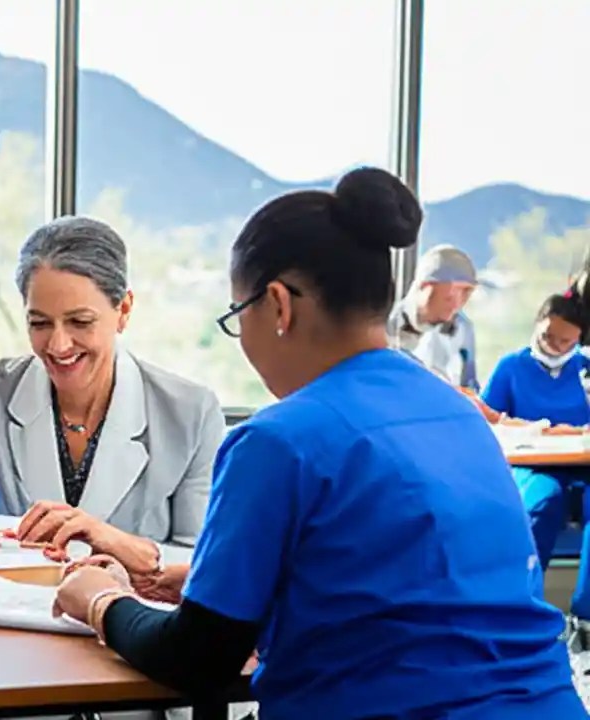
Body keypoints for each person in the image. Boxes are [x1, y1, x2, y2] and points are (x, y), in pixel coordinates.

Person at [52, 168, 585, 719]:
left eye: (239, 315)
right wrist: (205, 582)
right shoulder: (455, 412)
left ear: (279, 305)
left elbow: (198, 659)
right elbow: (415, 589)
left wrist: (98, 600)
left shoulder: (278, 441)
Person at [0, 217, 223, 583]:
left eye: (80, 322)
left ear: (124, 311)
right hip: (11, 615)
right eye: (40, 323)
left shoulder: (192, 411)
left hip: (131, 624)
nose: (58, 345)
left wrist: (113, 540)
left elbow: (202, 563)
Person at [482, 292, 590, 618]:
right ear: (536, 327)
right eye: (548, 337)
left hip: (583, 466)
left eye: (565, 341)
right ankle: (523, 614)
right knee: (543, 503)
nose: (554, 347)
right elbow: (488, 421)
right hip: (534, 466)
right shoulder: (511, 367)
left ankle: (585, 620)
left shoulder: (586, 370)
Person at [386, 244, 479, 389]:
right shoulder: (383, 323)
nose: (458, 302)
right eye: (449, 296)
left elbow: (469, 386)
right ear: (425, 287)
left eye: (466, 292)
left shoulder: (462, 329)